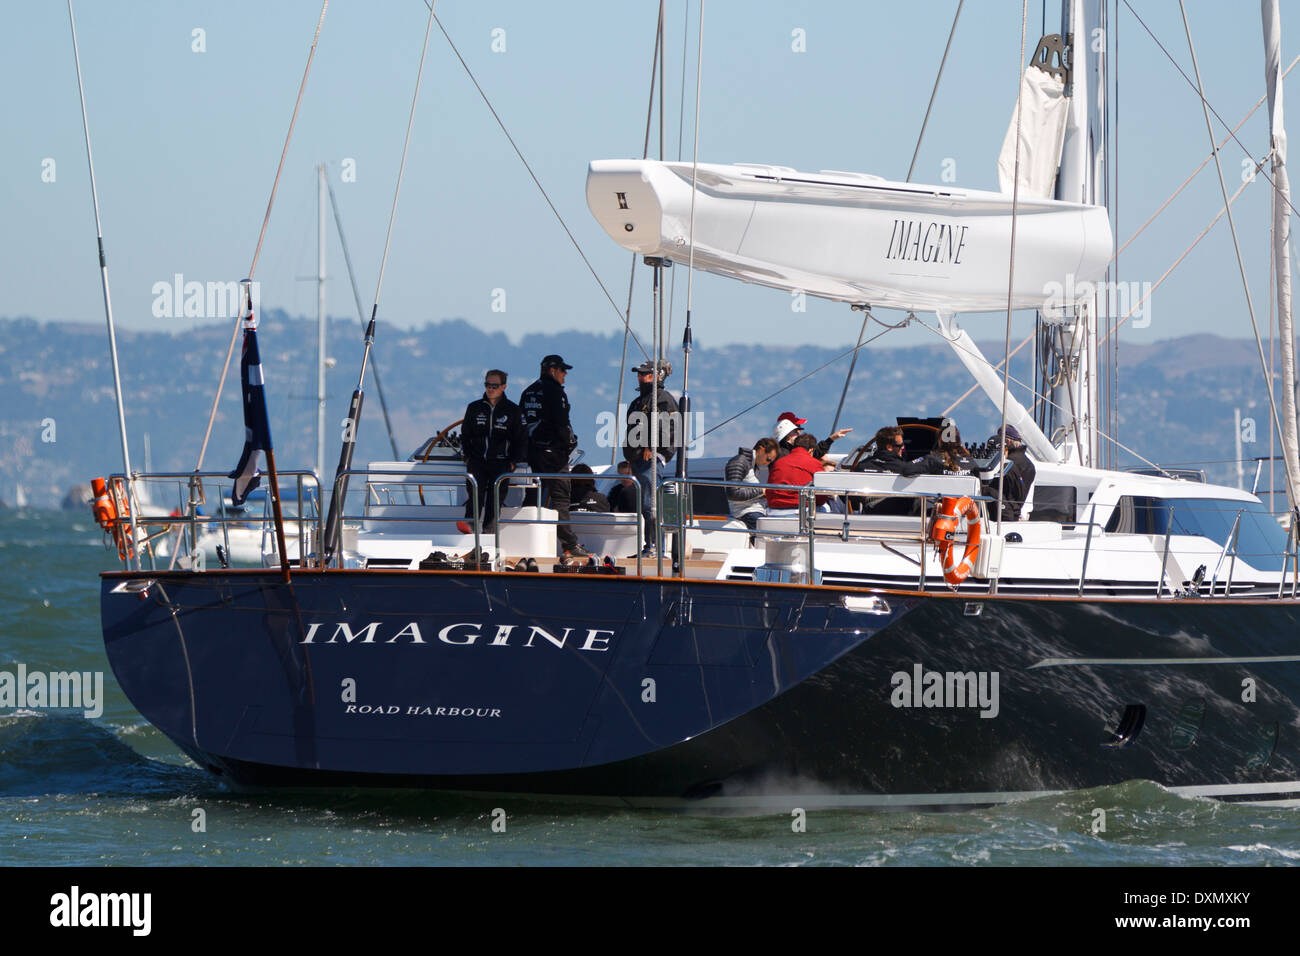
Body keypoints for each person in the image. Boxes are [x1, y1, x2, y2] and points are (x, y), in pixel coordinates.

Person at [520, 354, 585, 558]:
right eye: (563, 370)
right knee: (560, 498)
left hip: (531, 454)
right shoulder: (556, 392)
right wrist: (570, 442)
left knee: (532, 495)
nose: (565, 374)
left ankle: (523, 539)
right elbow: (561, 423)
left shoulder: (528, 391)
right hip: (554, 455)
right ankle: (569, 545)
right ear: (553, 370)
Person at [623, 359, 679, 557]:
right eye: (639, 374)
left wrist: (652, 448)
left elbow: (669, 428)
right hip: (637, 460)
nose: (640, 377)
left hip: (651, 460)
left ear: (656, 376)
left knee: (650, 505)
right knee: (645, 505)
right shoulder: (638, 402)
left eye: (645, 374)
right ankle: (650, 546)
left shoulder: (663, 399)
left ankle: (655, 548)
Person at [458, 368, 525, 534]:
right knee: (475, 494)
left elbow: (521, 439)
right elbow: (465, 434)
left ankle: (489, 533)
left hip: (502, 462)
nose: (490, 389)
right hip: (477, 461)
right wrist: (468, 457)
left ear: (503, 387)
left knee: (495, 499)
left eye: (495, 385)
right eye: (487, 385)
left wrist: (513, 462)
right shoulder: (474, 408)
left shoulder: (513, 411)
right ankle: (470, 529)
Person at [983, 424, 1036, 521]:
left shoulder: (1008, 464)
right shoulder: (1028, 463)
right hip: (1019, 514)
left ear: (1007, 441)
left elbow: (1005, 492)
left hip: (1006, 515)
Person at [726, 437, 779, 530]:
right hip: (747, 514)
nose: (767, 463)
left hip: (752, 513)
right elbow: (733, 493)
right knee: (769, 539)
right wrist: (761, 491)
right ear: (762, 449)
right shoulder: (739, 462)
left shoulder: (751, 465)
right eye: (768, 459)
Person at [765, 433, 823, 514]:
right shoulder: (815, 463)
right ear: (811, 450)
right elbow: (821, 497)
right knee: (825, 509)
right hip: (802, 510)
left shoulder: (778, 462)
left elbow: (769, 489)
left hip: (774, 510)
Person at [774, 410, 852, 459]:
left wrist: (831, 439)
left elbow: (814, 453)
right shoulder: (781, 454)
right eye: (797, 428)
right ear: (786, 432)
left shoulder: (792, 450)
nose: (799, 432)